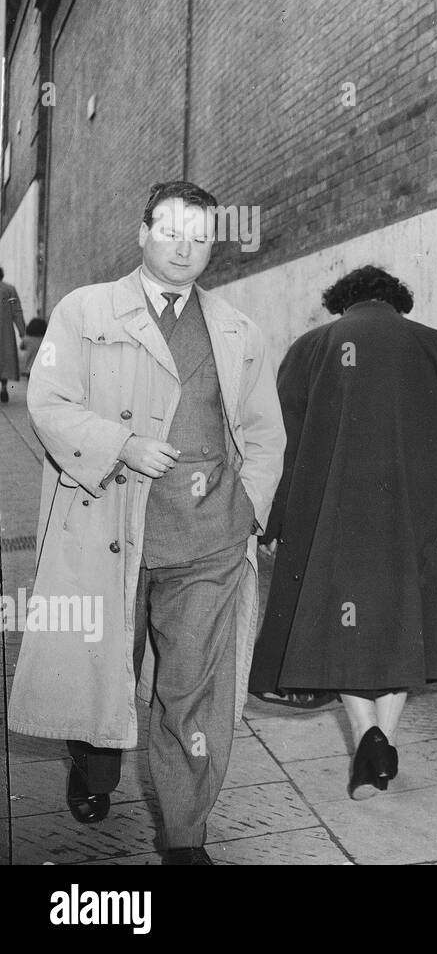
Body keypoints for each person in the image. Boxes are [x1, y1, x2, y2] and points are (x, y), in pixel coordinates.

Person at [7, 181, 286, 864]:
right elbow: (47, 400)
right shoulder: (84, 312)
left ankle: (186, 836)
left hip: (208, 545)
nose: (185, 246)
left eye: (198, 235)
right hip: (110, 532)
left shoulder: (237, 331)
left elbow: (263, 431)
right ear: (143, 234)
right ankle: (93, 762)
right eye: (171, 231)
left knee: (191, 696)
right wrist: (120, 446)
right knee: (104, 670)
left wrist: (246, 507)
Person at [250, 264, 437, 799]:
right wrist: (424, 461)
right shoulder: (429, 343)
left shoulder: (312, 347)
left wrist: (276, 518)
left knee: (345, 623)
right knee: (403, 618)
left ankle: (366, 734)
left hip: (329, 511)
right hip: (412, 508)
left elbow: (282, 437)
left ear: (341, 301)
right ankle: (385, 737)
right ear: (396, 301)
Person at [0, 265, 26, 402]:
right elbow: (17, 311)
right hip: (4, 331)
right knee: (3, 358)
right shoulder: (9, 290)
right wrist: (23, 333)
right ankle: (3, 387)